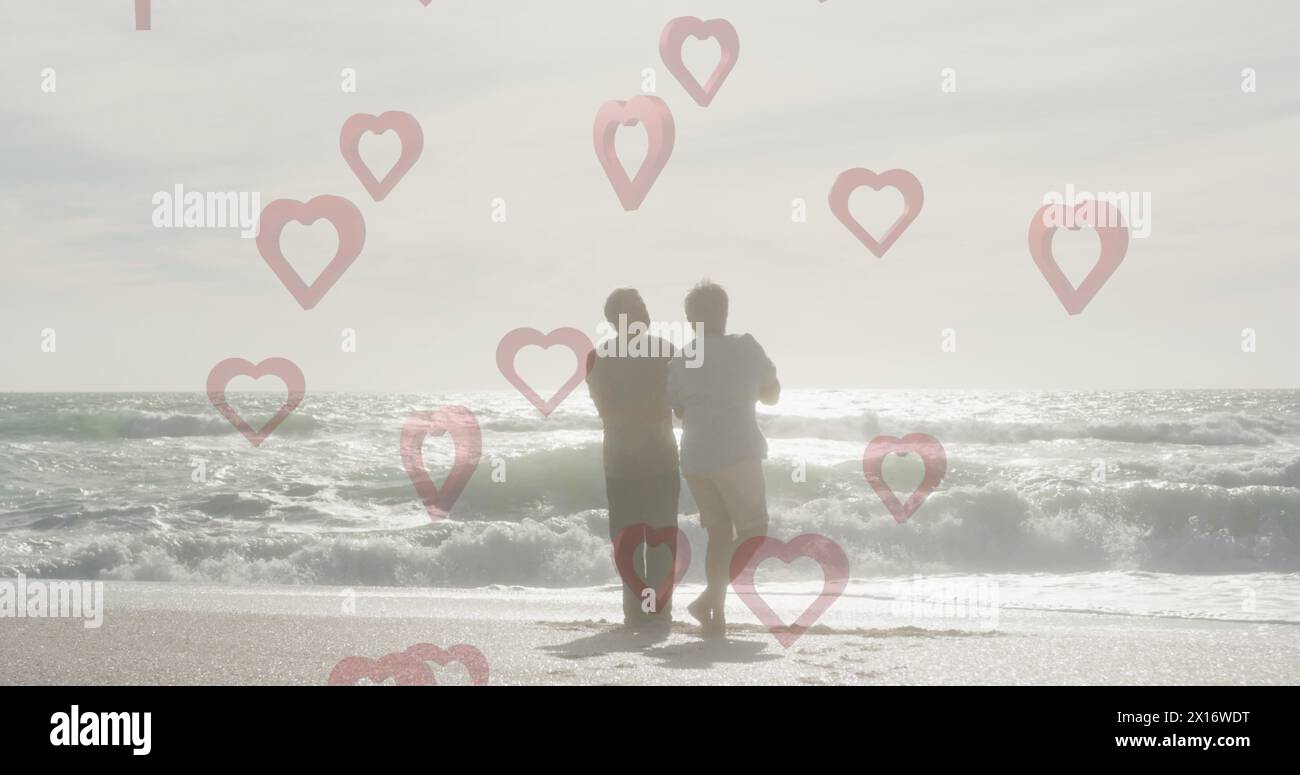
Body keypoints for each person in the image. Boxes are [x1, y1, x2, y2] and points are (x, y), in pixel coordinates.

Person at [667, 280, 779, 638]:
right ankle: (709, 600)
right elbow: (772, 395)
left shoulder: (682, 357)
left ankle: (715, 615)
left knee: (718, 534)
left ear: (690, 319)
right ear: (724, 313)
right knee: (754, 532)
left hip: (697, 457)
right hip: (738, 452)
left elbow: (679, 409)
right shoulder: (746, 347)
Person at [586, 288, 681, 633]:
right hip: (633, 459)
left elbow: (676, 405)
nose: (643, 312)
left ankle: (654, 611)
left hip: (650, 456)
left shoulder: (665, 353)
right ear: (615, 321)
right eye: (634, 309)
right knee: (632, 541)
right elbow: (610, 411)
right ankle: (640, 612)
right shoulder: (657, 354)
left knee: (656, 540)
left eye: (642, 306)